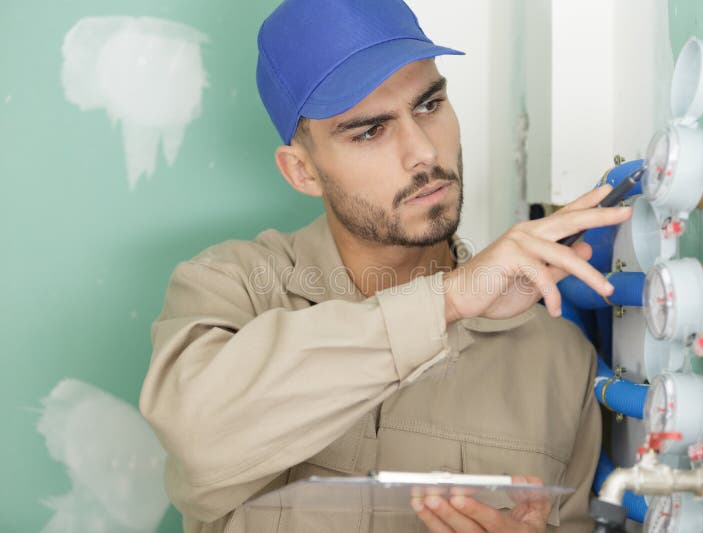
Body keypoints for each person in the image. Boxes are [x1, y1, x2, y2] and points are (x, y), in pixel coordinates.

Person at [139, 0, 632, 531]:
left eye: (429, 105)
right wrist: (448, 300)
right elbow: (198, 440)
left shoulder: (557, 359)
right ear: (303, 171)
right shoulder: (233, 289)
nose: (422, 151)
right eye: (370, 131)